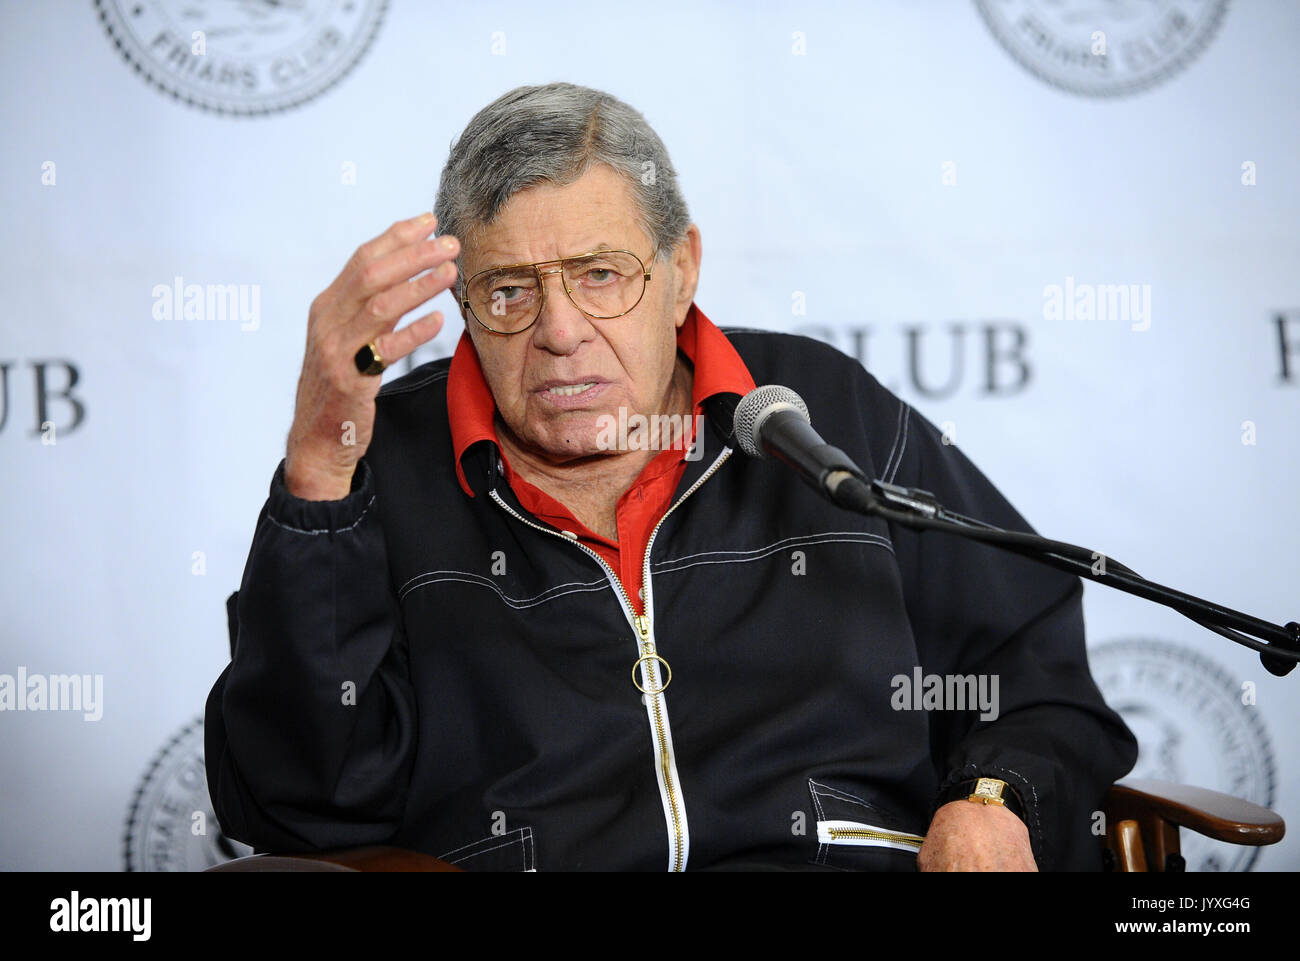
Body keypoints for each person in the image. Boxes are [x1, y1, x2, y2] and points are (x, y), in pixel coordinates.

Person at [204, 81, 1137, 872]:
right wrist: (320, 467)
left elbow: (1032, 667)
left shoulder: (815, 415)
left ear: (682, 267)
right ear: (463, 305)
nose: (559, 329)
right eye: (510, 291)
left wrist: (995, 795)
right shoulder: (378, 467)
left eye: (601, 274)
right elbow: (296, 802)